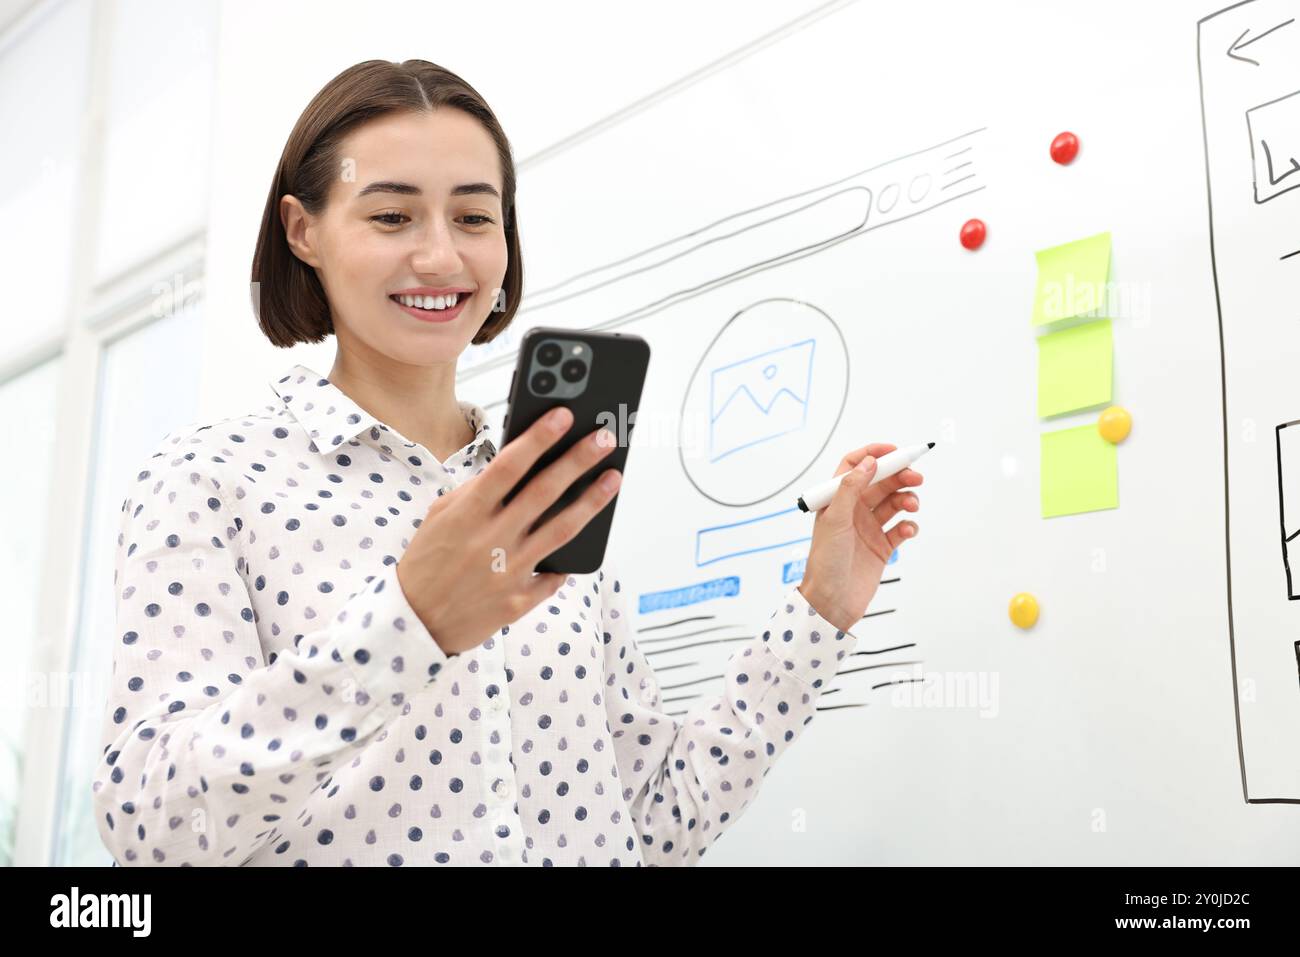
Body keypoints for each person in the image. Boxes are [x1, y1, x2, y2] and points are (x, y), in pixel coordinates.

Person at [91, 59, 923, 867]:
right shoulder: (209, 479)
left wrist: (820, 609)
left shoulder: (545, 494)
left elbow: (655, 825)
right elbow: (154, 830)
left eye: (474, 217)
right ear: (303, 230)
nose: (441, 258)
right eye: (391, 217)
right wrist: (410, 620)